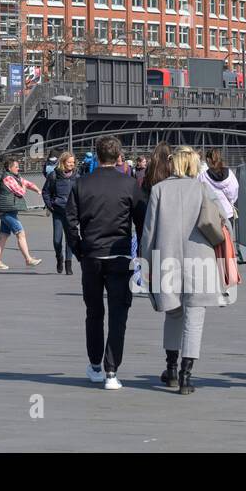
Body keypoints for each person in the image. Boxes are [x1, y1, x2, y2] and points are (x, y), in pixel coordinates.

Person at [140, 146, 229, 395]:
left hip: (167, 259)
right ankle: (186, 376)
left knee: (173, 314)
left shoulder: (158, 190)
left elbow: (149, 232)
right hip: (198, 259)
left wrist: (145, 264)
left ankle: (170, 369)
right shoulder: (202, 189)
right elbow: (221, 218)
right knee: (195, 318)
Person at [64, 136, 145, 389]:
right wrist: (139, 251)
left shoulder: (81, 183)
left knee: (94, 312)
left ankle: (95, 364)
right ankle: (112, 371)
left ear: (97, 156)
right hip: (120, 254)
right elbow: (142, 220)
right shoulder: (130, 184)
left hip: (91, 255)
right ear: (119, 156)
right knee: (118, 313)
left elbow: (70, 220)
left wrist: (79, 249)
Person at [0, 157, 42, 269]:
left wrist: (38, 190)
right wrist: (24, 187)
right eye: (16, 167)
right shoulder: (8, 178)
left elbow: (28, 183)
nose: (18, 169)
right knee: (20, 233)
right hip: (6, 211)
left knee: (3, 236)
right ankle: (28, 259)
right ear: (10, 168)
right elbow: (21, 191)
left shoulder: (15, 177)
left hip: (7, 210)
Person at [45, 152, 78, 275]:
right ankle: (59, 257)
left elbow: (80, 193)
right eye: (69, 162)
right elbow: (46, 192)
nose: (71, 164)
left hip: (71, 212)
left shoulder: (77, 176)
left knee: (70, 239)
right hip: (58, 212)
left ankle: (68, 264)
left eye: (73, 162)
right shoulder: (54, 175)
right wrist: (50, 205)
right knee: (57, 240)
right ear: (63, 162)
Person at [197, 148, 238, 225]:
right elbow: (234, 192)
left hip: (210, 214)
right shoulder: (230, 173)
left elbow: (200, 195)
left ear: (208, 160)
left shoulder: (203, 177)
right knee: (227, 236)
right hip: (227, 213)